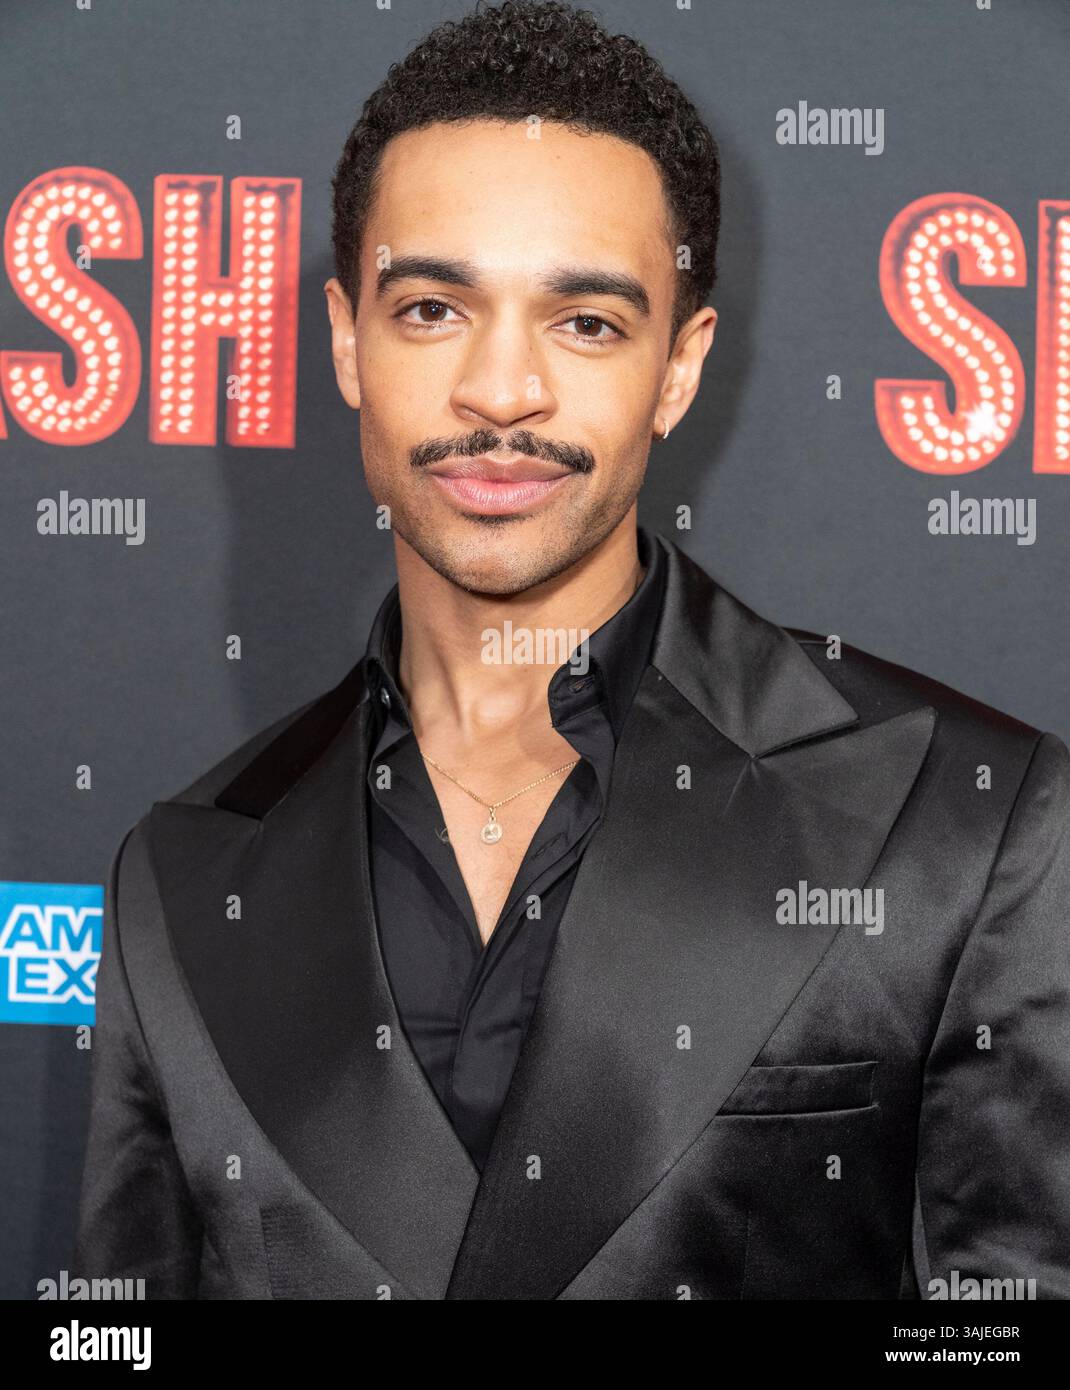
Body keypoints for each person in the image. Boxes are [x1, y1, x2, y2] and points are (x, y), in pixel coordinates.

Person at [75, 0, 1070, 1299]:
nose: (501, 391)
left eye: (585, 321)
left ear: (677, 364)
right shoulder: (181, 876)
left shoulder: (967, 821)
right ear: (343, 342)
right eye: (432, 307)